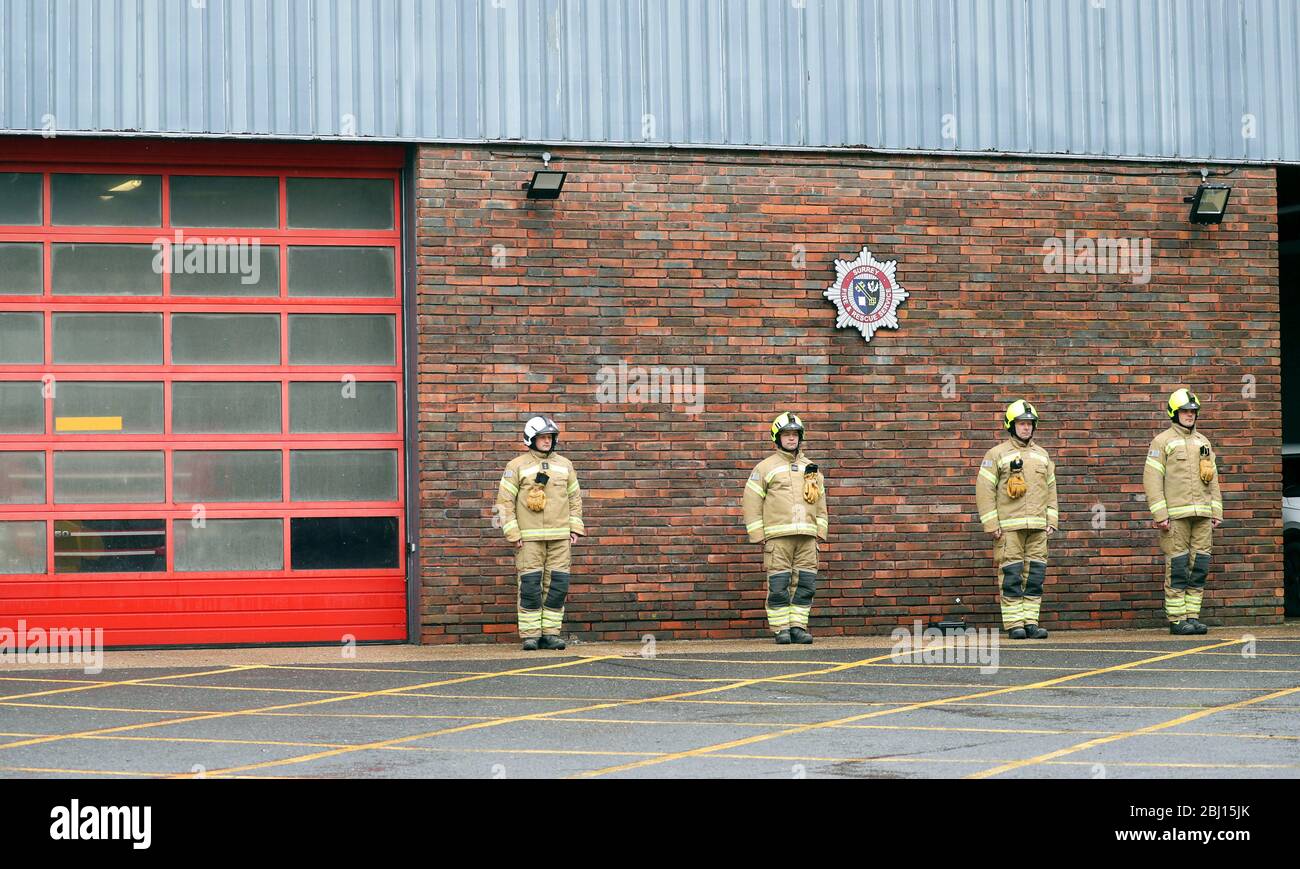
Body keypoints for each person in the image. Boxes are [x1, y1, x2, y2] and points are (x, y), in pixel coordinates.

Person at [496, 416, 584, 650]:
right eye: (542, 437)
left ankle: (551, 634)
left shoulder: (565, 465)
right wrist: (513, 533)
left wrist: (575, 528)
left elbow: (575, 499)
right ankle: (531, 635)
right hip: (529, 539)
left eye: (550, 437)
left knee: (557, 586)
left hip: (559, 538)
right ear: (530, 439)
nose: (547, 441)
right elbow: (504, 503)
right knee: (530, 586)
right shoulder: (516, 466)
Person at [742, 412, 828, 645]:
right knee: (779, 584)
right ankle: (781, 629)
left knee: (805, 584)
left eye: (795, 434)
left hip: (807, 538)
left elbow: (820, 500)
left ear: (801, 437)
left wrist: (820, 532)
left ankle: (799, 627)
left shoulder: (811, 468)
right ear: (777, 437)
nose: (791, 439)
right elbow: (751, 500)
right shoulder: (765, 467)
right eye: (786, 434)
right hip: (778, 537)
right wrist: (758, 535)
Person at [975, 400, 1059, 639]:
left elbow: (1051, 489)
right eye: (1022, 423)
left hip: (1038, 527)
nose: (1026, 428)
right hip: (1009, 528)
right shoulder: (996, 454)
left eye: (1030, 424)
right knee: (1012, 574)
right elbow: (984, 490)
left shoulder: (1042, 456)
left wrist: (1051, 519)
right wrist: (992, 524)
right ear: (1011, 426)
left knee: (1034, 576)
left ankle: (1031, 622)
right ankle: (1014, 624)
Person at [1142, 389, 1223, 635]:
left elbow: (1214, 479)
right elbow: (1152, 480)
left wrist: (1216, 511)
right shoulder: (1162, 442)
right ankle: (1177, 619)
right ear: (1174, 413)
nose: (1189, 415)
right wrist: (1160, 515)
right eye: (1185, 411)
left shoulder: (1203, 442)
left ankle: (1192, 616)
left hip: (1202, 515)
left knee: (1199, 565)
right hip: (1175, 517)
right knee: (1177, 567)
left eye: (1192, 411)